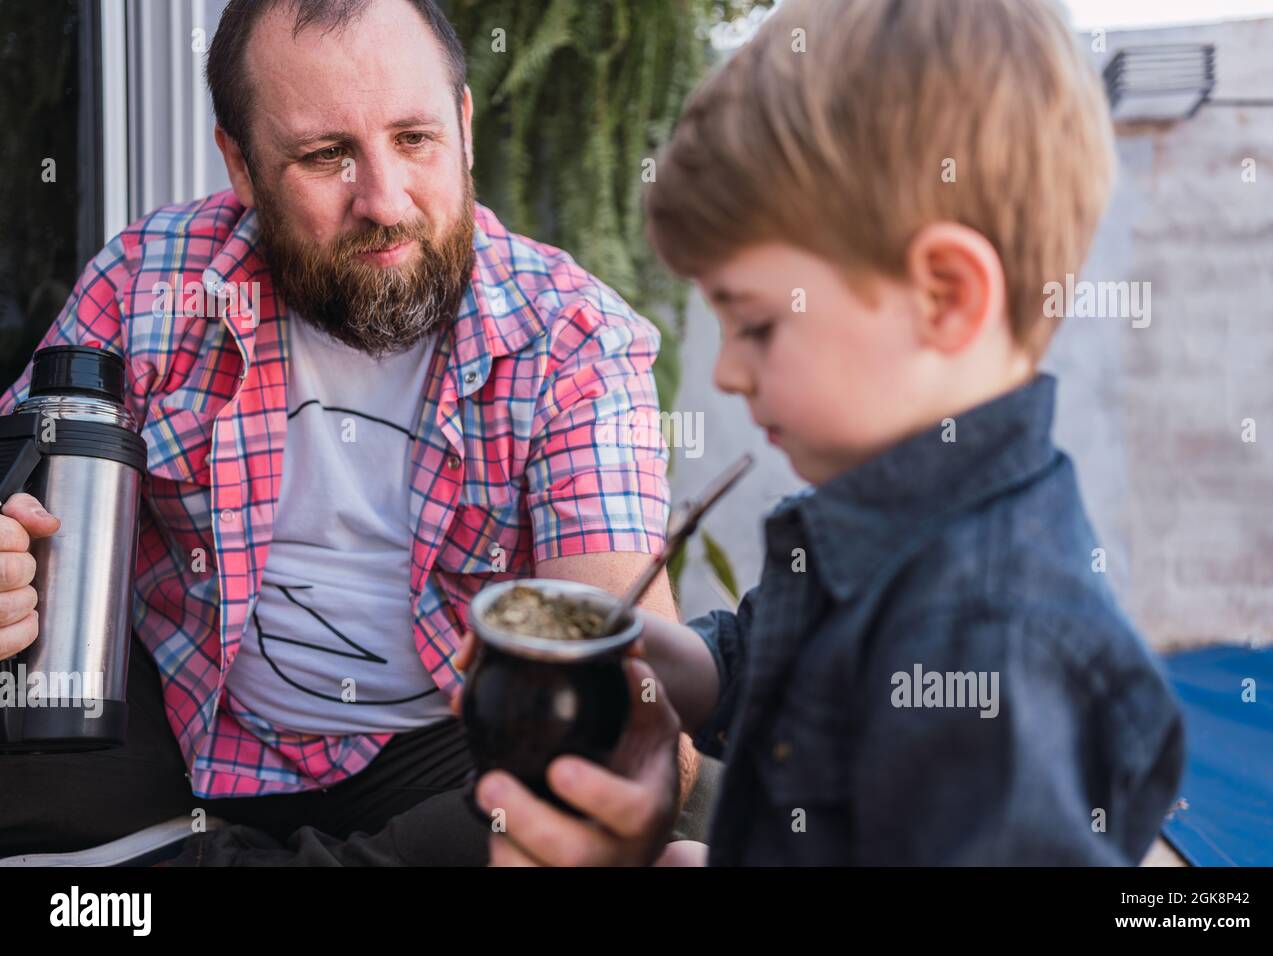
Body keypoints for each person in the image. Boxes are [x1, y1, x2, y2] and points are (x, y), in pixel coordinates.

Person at [471, 0, 1186, 866]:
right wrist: (625, 645)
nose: (729, 371)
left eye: (759, 325)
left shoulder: (990, 658)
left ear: (946, 297)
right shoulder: (879, 526)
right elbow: (754, 665)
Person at [0, 0, 701, 863]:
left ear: (466, 127)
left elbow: (639, 712)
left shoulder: (573, 341)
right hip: (177, 716)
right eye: (326, 155)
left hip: (433, 752)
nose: (385, 200)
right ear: (242, 166)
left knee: (594, 786)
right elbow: (17, 487)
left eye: (415, 138)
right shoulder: (148, 279)